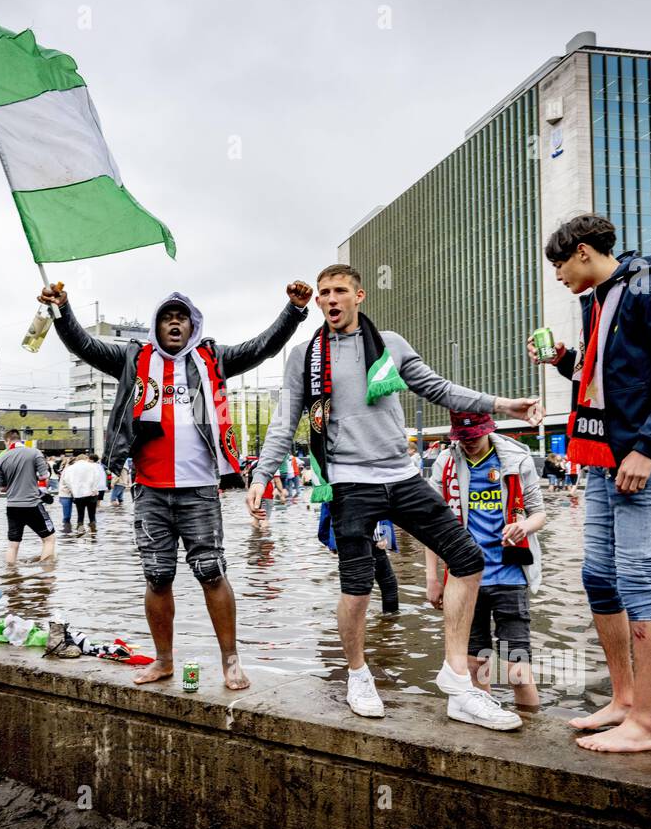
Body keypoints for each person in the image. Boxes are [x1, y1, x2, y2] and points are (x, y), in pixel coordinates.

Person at [251, 264, 540, 725]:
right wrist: (262, 476)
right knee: (357, 586)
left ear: (359, 295)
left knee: (468, 559)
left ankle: (457, 681)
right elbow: (286, 421)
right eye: (324, 292)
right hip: (349, 482)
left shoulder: (389, 344)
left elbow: (440, 389)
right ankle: (358, 674)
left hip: (403, 477)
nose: (331, 299)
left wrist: (502, 405)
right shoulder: (304, 356)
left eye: (340, 291)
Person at [40, 277, 313, 691]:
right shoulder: (135, 359)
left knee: (211, 572)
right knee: (157, 576)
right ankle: (164, 661)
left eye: (180, 318)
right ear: (156, 325)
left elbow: (261, 348)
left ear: (192, 326)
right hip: (149, 489)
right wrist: (61, 309)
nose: (173, 323)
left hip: (200, 488)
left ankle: (231, 660)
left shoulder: (212, 358)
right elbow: (84, 346)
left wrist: (293, 311)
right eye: (166, 317)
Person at [529, 213, 651, 752]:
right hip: (604, 452)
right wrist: (563, 360)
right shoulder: (596, 299)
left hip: (640, 456)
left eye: (559, 263)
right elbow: (607, 373)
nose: (557, 274)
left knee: (637, 581)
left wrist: (648, 449)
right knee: (597, 577)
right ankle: (624, 700)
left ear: (583, 252)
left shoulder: (649, 287)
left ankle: (646, 726)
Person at [426, 413, 547, 710]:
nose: (468, 444)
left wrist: (524, 527)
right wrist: (431, 579)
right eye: (462, 439)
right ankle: (486, 719)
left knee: (517, 670)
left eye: (474, 438)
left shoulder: (515, 459)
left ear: (489, 430)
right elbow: (430, 524)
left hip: (510, 576)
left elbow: (539, 514)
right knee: (475, 664)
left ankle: (532, 732)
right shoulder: (446, 463)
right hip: (465, 579)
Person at [0, 428, 56, 563]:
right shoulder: (34, 453)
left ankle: (11, 576)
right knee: (49, 539)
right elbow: (44, 476)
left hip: (12, 506)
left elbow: (3, 488)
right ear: (19, 439)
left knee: (13, 544)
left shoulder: (1, 459)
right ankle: (47, 575)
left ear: (8, 440)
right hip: (32, 504)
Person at [63, 453, 101, 531]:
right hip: (91, 493)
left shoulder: (71, 468)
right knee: (92, 512)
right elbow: (97, 477)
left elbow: (66, 480)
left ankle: (80, 524)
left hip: (78, 493)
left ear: (77, 459)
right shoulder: (93, 466)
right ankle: (92, 525)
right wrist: (94, 488)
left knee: (80, 512)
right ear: (86, 459)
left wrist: (72, 489)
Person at [57, 457, 76, 533]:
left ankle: (67, 530)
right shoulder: (68, 470)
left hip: (66, 494)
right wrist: (75, 492)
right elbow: (68, 482)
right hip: (65, 494)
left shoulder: (68, 469)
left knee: (67, 515)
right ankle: (66, 531)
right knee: (67, 516)